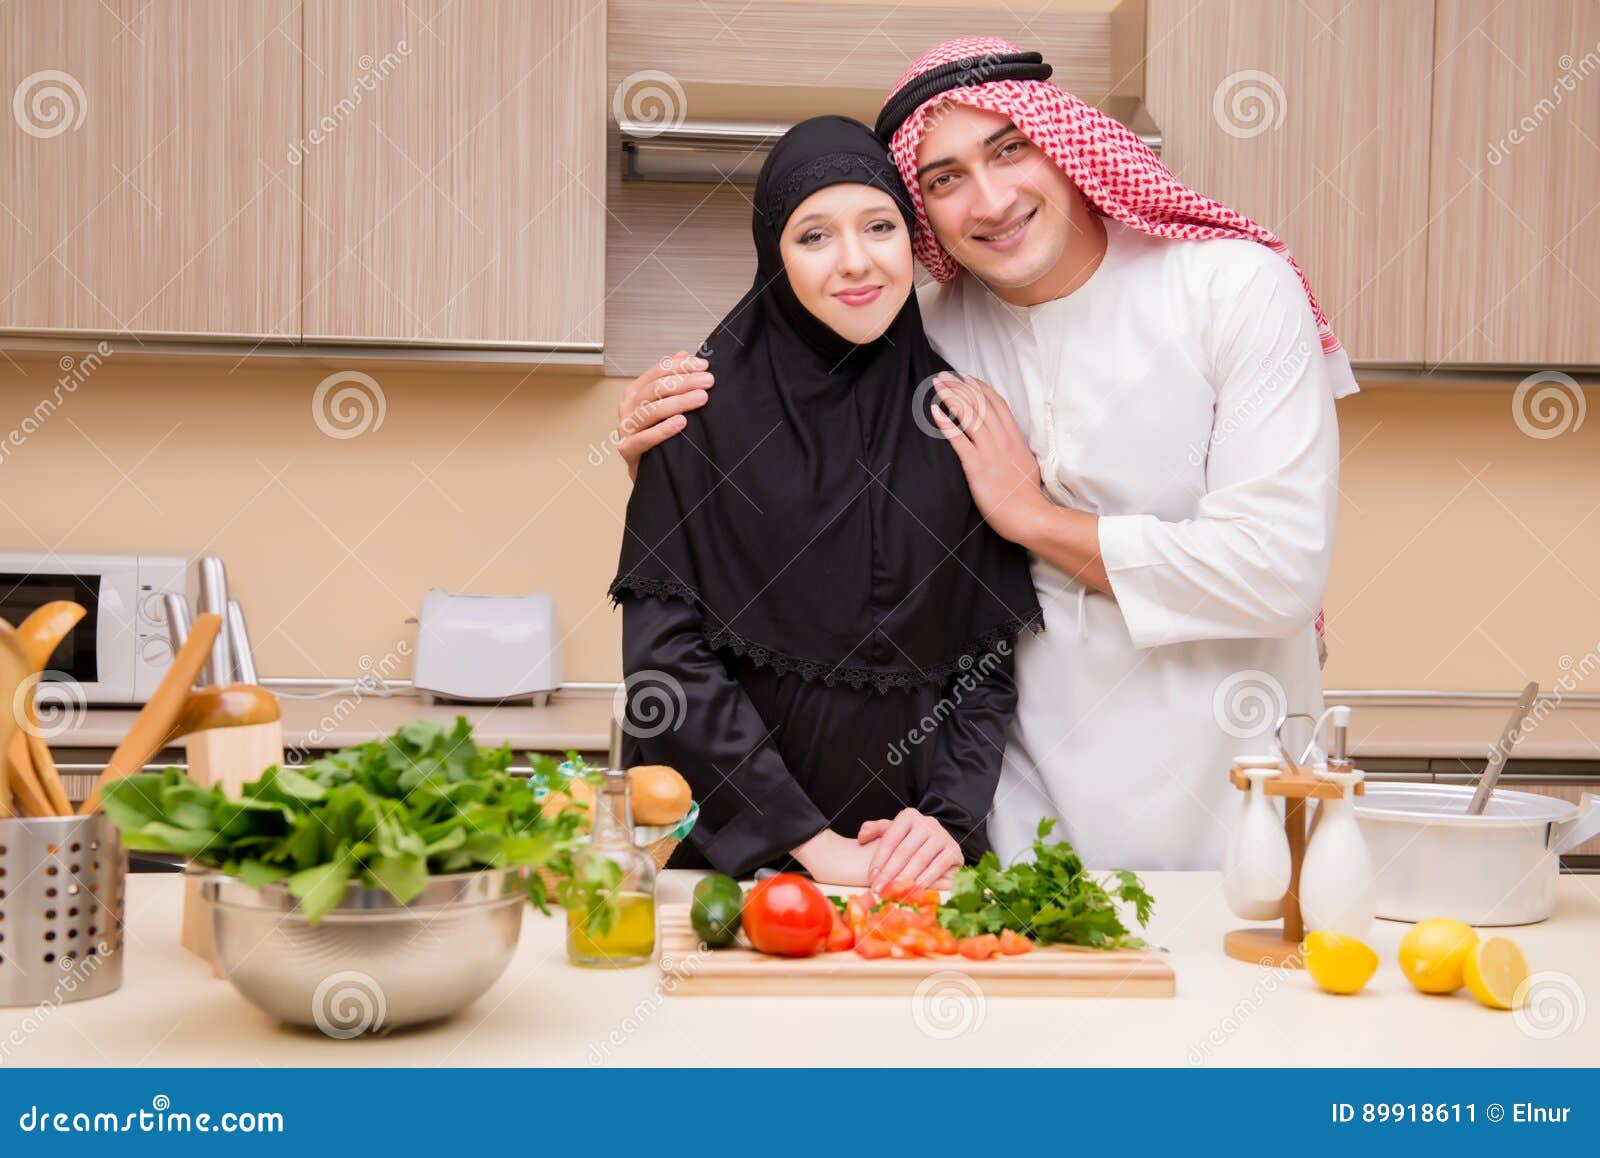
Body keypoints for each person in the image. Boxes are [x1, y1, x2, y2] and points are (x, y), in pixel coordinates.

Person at [611, 40, 1354, 872]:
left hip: (1230, 805)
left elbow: (1281, 570)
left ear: (1069, 145)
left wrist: (1031, 516)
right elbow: (808, 508)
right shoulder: (927, 332)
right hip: (1018, 825)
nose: (992, 200)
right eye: (944, 179)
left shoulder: (1231, 290)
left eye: (1010, 148)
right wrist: (673, 476)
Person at [611, 115, 1042, 890]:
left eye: (879, 226)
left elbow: (987, 666)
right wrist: (811, 843)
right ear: (772, 256)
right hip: (730, 870)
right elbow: (665, 666)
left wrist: (944, 824)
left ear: (911, 240)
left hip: (908, 874)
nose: (855, 262)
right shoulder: (691, 413)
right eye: (813, 237)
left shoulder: (959, 419)